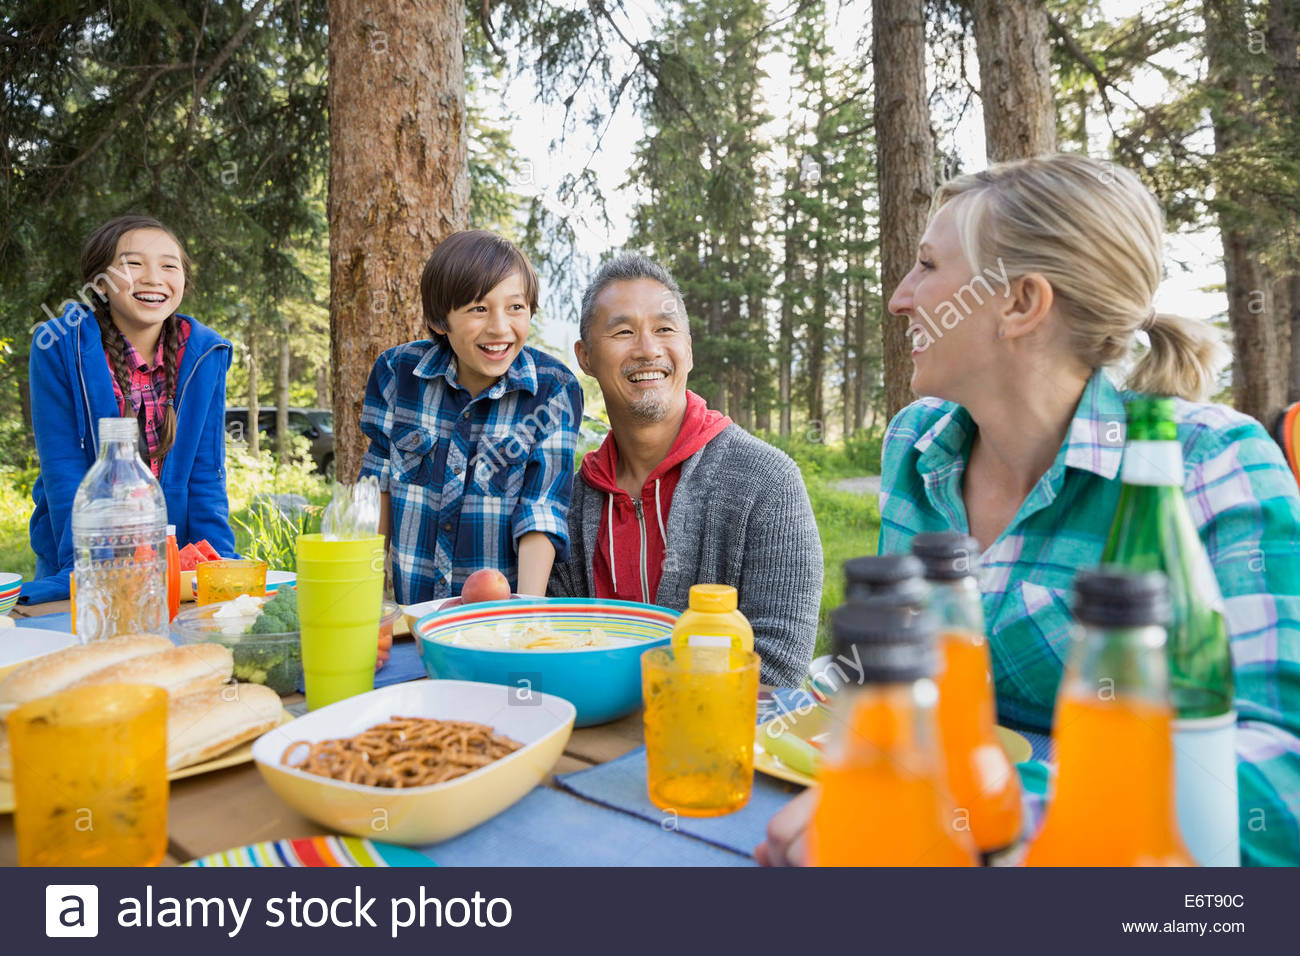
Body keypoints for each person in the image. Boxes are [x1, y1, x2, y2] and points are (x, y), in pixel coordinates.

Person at [758, 153, 1300, 867]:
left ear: (1020, 303)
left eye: (926, 265)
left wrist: (991, 815)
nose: (900, 296)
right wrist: (769, 713)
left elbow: (1279, 771)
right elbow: (895, 664)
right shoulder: (916, 445)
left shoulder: (1212, 463)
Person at [547, 254, 821, 687]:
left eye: (665, 329)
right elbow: (553, 643)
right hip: (588, 742)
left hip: (716, 743)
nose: (648, 349)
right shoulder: (569, 502)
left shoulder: (768, 483)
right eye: (622, 332)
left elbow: (778, 671)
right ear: (585, 357)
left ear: (688, 350)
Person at [22, 214, 236, 605]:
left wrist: (218, 560)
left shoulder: (206, 352)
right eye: (133, 264)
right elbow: (64, 471)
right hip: (84, 550)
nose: (154, 277)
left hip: (176, 567)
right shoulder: (58, 345)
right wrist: (79, 568)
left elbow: (206, 474)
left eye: (169, 265)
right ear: (100, 282)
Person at [360, 230, 582, 603]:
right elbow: (376, 487)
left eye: (515, 308)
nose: (499, 327)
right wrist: (361, 600)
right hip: (413, 612)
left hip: (496, 627)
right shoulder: (396, 374)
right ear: (439, 320)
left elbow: (540, 513)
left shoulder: (554, 390)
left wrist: (527, 612)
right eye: (479, 309)